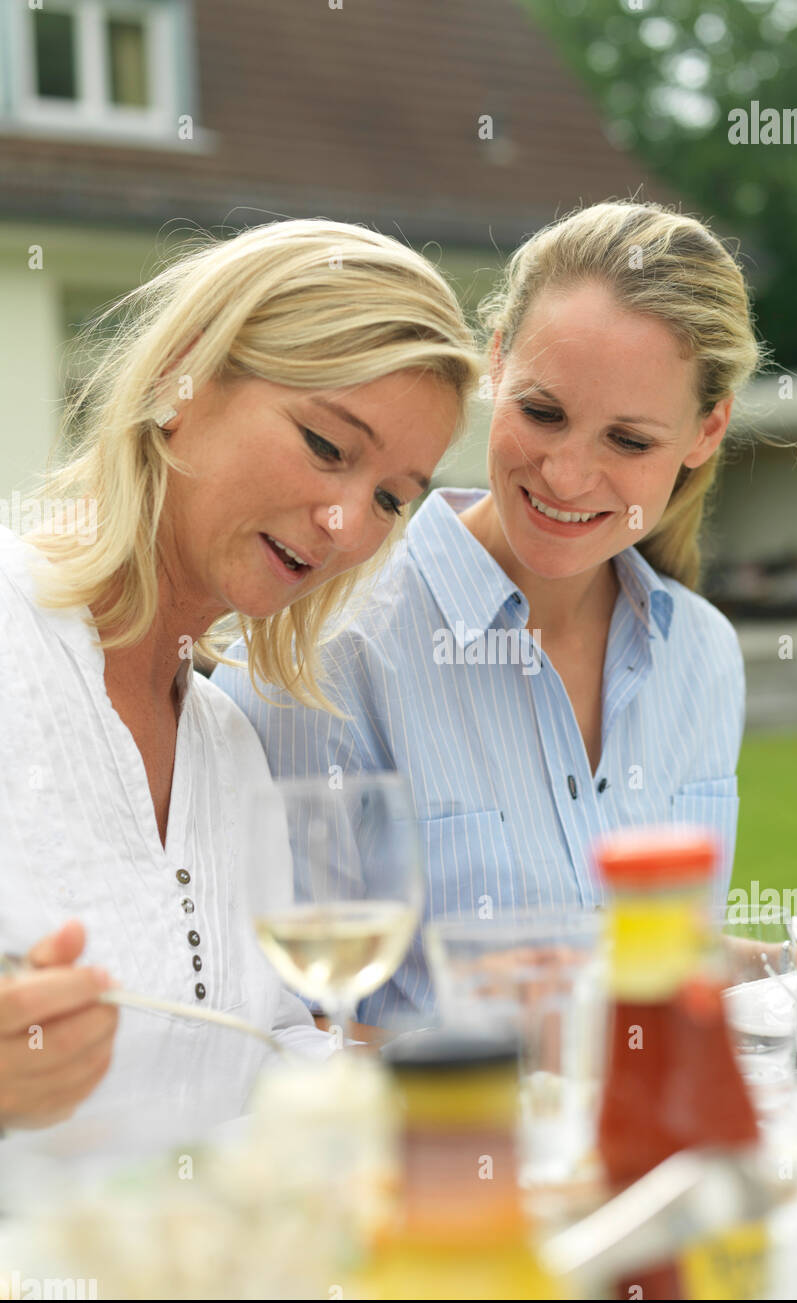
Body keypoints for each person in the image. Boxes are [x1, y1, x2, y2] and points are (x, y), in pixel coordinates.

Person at [214, 200, 797, 1028]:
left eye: (629, 441)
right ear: (496, 361)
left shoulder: (699, 654)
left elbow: (659, 960)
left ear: (705, 430)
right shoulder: (322, 654)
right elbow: (284, 1021)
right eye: (543, 413)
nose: (568, 477)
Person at [0, 217, 479, 1141]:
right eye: (327, 446)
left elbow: (268, 1051)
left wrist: (501, 1092)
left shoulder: (226, 743)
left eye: (390, 498)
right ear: (182, 381)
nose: (348, 524)